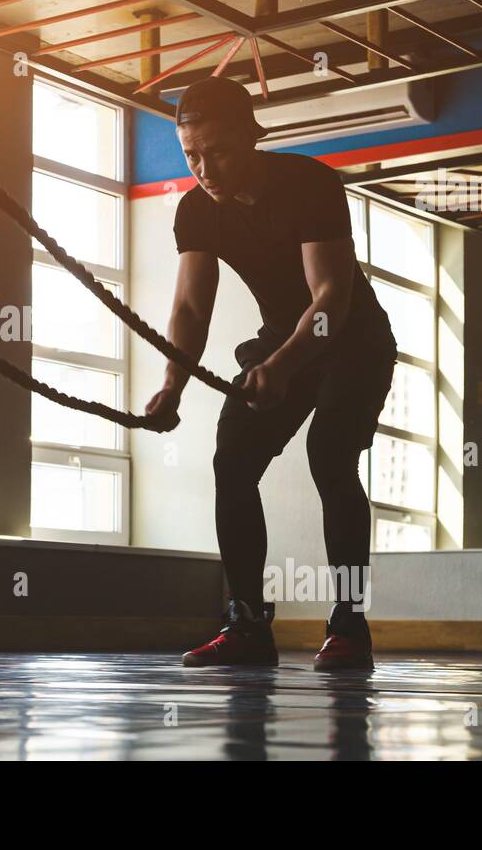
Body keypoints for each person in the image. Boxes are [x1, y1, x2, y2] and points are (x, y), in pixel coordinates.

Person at [144, 76, 397, 671]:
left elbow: (331, 296)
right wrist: (171, 386)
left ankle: (349, 625)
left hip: (352, 340)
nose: (205, 168)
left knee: (330, 456)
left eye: (220, 151)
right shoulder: (197, 209)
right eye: (191, 155)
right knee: (232, 459)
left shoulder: (309, 184)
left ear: (251, 138)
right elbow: (188, 308)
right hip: (283, 336)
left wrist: (281, 367)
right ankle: (248, 626)